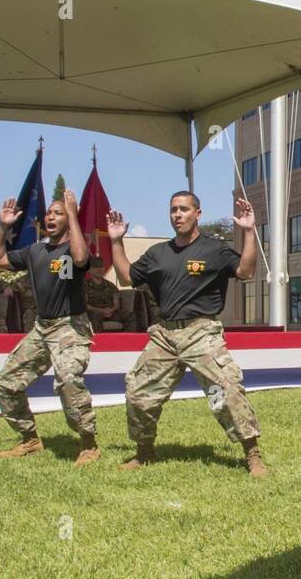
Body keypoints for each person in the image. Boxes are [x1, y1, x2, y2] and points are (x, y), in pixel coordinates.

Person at [106, 193, 267, 477]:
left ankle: (252, 454)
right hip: (165, 335)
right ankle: (145, 452)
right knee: (138, 391)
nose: (177, 215)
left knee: (226, 390)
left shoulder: (214, 250)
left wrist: (248, 231)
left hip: (201, 333)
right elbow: (126, 278)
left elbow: (247, 271)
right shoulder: (158, 253)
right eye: (173, 210)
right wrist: (116, 241)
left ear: (198, 214)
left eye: (183, 209)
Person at [0, 190, 100, 465]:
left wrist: (74, 215)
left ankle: (88, 443)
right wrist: (3, 228)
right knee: (7, 382)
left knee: (67, 380)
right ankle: (29, 439)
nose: (51, 217)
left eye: (58, 213)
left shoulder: (72, 248)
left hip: (69, 327)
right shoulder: (35, 251)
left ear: (68, 218)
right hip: (42, 328)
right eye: (49, 213)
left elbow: (78, 259)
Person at [83, 257, 123, 331]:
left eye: (101, 266)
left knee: (129, 315)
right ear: (89, 270)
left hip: (111, 313)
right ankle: (98, 341)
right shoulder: (84, 286)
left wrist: (111, 310)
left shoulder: (111, 285)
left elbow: (117, 304)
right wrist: (101, 311)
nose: (99, 270)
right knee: (95, 315)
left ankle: (131, 340)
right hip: (93, 313)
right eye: (95, 267)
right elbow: (85, 306)